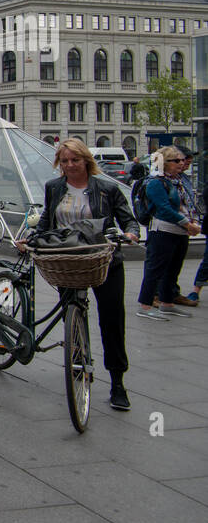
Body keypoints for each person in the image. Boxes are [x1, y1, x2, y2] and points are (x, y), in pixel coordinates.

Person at [31, 138, 139, 410]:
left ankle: (117, 382)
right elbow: (47, 221)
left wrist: (131, 233)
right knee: (72, 314)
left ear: (86, 160)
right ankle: (79, 364)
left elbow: (128, 218)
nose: (69, 165)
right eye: (64, 161)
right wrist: (32, 239)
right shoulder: (54, 187)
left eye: (75, 160)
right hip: (68, 260)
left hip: (103, 259)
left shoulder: (107, 188)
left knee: (112, 319)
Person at [138, 146, 202, 318]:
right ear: (164, 163)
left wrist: (193, 221)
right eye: (176, 160)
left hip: (180, 232)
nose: (181, 163)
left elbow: (188, 204)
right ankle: (145, 305)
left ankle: (167, 302)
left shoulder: (179, 181)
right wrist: (188, 224)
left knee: (173, 269)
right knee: (155, 269)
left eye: (182, 160)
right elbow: (164, 209)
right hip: (163, 230)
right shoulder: (155, 182)